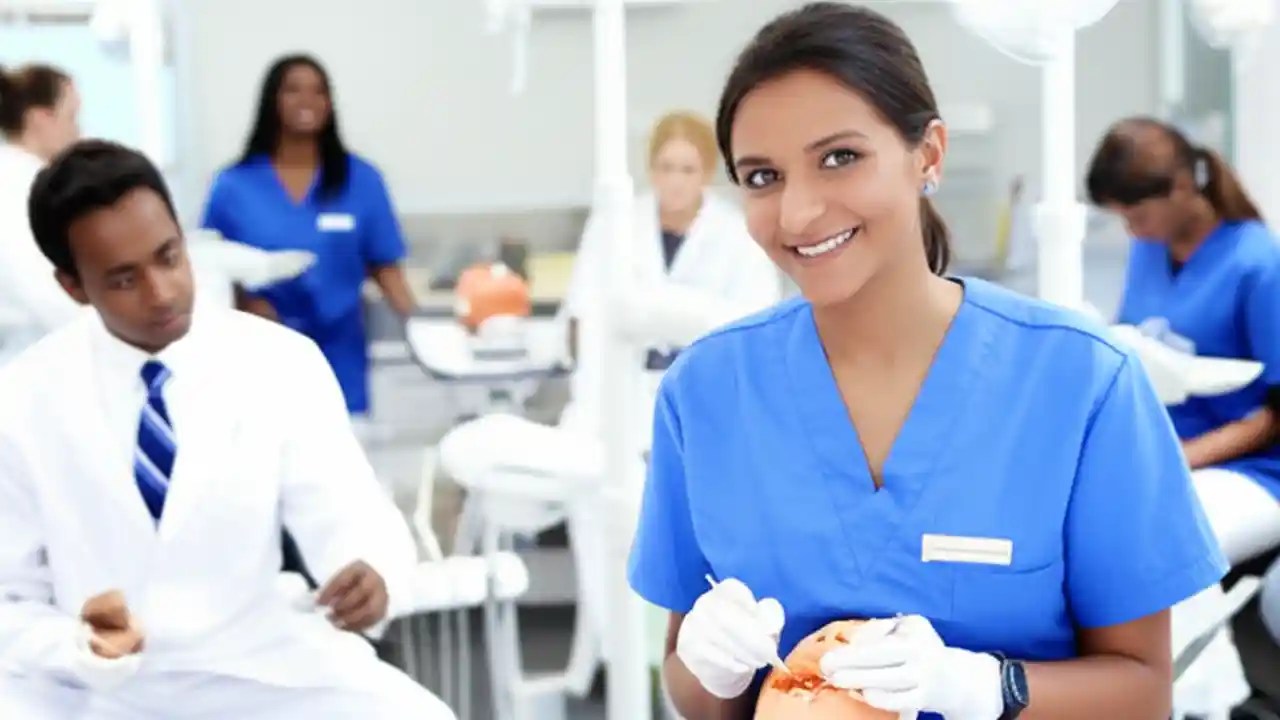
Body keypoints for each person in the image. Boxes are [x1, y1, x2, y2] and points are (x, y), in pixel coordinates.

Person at [626, 5, 1227, 720]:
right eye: (762, 177)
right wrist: (708, 667)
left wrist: (984, 688)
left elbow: (1141, 691)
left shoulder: (1080, 385)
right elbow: (692, 691)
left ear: (929, 154)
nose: (797, 213)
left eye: (840, 157)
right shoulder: (706, 394)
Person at [0, 139, 452, 719]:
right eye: (123, 279)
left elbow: (347, 514)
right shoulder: (23, 400)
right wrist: (79, 647)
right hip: (91, 688)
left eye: (169, 256)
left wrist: (371, 570)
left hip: (259, 668)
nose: (162, 293)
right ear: (73, 286)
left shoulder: (279, 362)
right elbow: (9, 598)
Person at [1086, 116, 1280, 716]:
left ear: (1179, 190)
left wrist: (1180, 459)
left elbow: (1276, 415)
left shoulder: (1259, 264)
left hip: (1255, 470)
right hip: (1166, 458)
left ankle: (1200, 700)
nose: (1130, 229)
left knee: (1164, 538)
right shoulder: (1149, 252)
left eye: (1135, 214)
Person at [201, 54, 417, 418]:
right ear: (272, 101)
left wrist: (424, 331)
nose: (307, 101)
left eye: (318, 92)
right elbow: (210, 266)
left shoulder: (361, 180)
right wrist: (245, 303)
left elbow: (386, 268)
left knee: (339, 461)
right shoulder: (234, 186)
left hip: (339, 355)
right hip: (260, 355)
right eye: (293, 90)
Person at [561, 109, 781, 435]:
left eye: (687, 170)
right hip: (622, 395)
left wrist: (675, 312)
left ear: (706, 172)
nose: (675, 181)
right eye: (666, 168)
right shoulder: (614, 226)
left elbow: (757, 328)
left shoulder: (737, 235)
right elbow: (584, 312)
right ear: (651, 170)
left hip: (712, 397)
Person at [0, 63, 83, 362]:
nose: (78, 132)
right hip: (29, 355)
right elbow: (45, 296)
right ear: (40, 119)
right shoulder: (17, 191)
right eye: (71, 118)